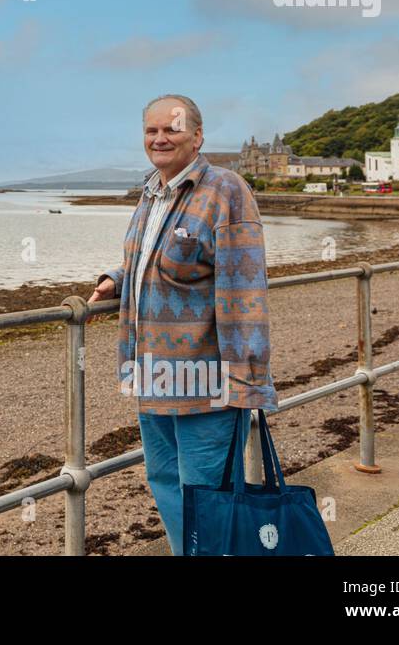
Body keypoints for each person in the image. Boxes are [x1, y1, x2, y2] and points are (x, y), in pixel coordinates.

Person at [89, 94, 277, 555]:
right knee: (166, 486)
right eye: (151, 130)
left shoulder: (226, 190)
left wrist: (246, 382)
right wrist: (118, 278)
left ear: (197, 136)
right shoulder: (152, 190)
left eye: (171, 129)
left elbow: (244, 291)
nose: (160, 138)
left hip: (206, 384)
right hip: (151, 376)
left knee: (207, 497)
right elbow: (159, 257)